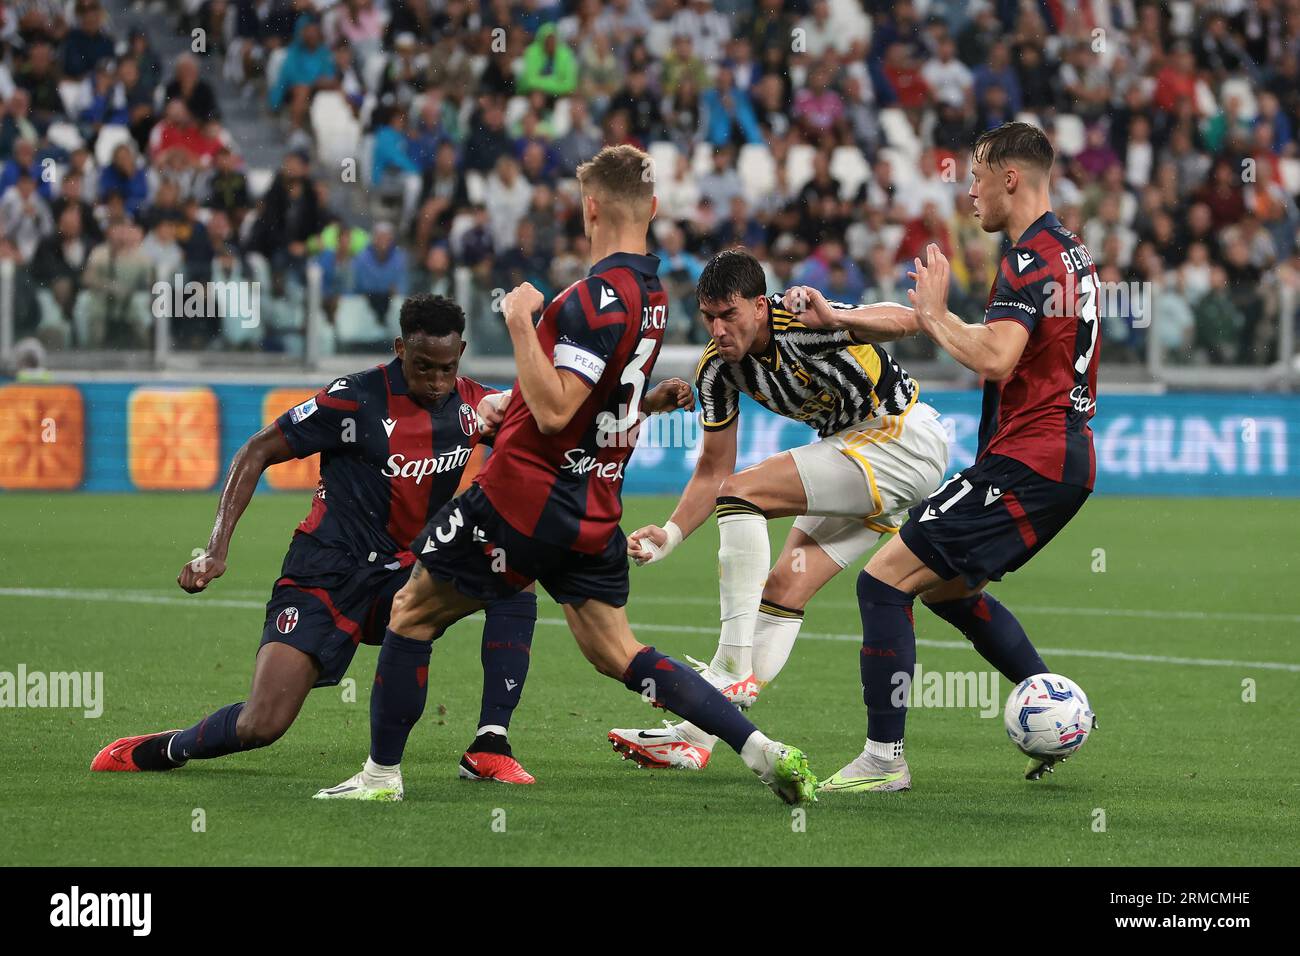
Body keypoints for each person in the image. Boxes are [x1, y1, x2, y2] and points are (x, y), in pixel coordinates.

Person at [315, 145, 818, 805]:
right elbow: (595, 394)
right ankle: (762, 750)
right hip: (591, 509)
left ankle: (380, 777)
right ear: (654, 209)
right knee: (619, 652)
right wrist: (532, 405)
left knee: (411, 612)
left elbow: (556, 411)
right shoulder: (653, 294)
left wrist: (521, 324)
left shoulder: (591, 298)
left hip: (524, 499)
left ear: (589, 210)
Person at [92, 295, 562, 784]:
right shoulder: (354, 398)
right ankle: (168, 747)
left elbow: (550, 444)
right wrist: (215, 548)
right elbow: (255, 451)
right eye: (424, 367)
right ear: (401, 348)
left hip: (400, 577)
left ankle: (489, 742)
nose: (437, 382)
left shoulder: (473, 404)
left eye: (448, 368)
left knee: (513, 569)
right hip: (326, 571)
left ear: (461, 351)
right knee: (262, 723)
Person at [609, 248, 948, 786]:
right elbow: (712, 469)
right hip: (860, 457)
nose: (719, 329)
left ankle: (731, 668)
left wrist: (839, 316)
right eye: (709, 317)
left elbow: (909, 322)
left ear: (760, 306)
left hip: (901, 438)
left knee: (745, 494)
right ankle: (695, 739)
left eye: (730, 315)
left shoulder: (804, 321)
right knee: (781, 589)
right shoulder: (718, 370)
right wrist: (671, 533)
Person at [855, 121, 1099, 787]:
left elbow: (995, 354)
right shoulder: (1069, 252)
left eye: (978, 177)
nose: (971, 193)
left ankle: (884, 761)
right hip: (1062, 460)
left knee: (881, 581)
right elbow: (999, 339)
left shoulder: (1026, 259)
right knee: (950, 592)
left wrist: (934, 317)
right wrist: (848, 319)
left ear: (1009, 179)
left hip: (1029, 458)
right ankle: (1059, 714)